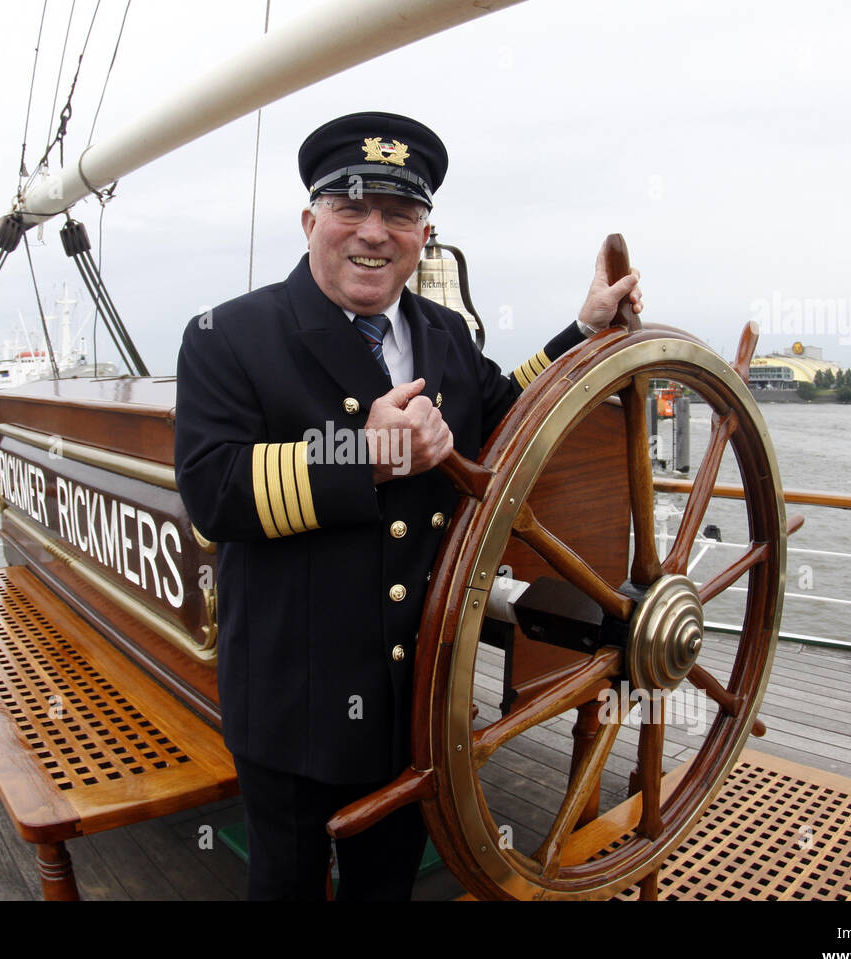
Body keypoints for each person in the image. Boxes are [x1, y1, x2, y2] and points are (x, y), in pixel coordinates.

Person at [174, 111, 641, 900]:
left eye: (399, 213)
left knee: (385, 889)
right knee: (284, 886)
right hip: (296, 697)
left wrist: (583, 330)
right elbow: (213, 492)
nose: (374, 232)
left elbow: (504, 410)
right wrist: (370, 455)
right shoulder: (229, 335)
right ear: (309, 220)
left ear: (425, 233)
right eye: (351, 207)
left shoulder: (445, 333)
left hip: (417, 696)